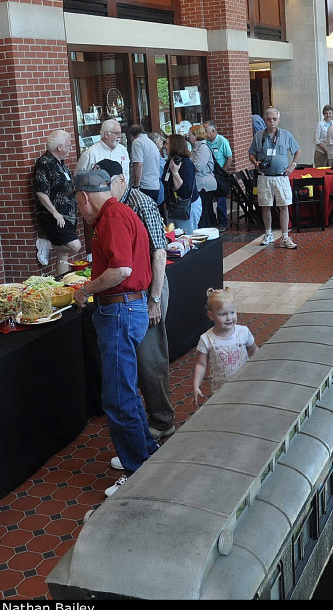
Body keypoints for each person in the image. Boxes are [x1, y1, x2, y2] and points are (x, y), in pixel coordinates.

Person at [71, 169, 155, 497]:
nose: (79, 210)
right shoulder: (120, 212)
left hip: (120, 311)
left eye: (77, 203)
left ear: (84, 197)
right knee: (125, 391)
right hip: (127, 309)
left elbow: (121, 269)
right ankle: (145, 452)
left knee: (117, 397)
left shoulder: (112, 217)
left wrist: (85, 290)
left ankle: (137, 470)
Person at [93, 159, 176, 442]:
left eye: (105, 184)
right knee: (135, 360)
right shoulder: (109, 209)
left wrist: (154, 298)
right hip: (130, 293)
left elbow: (160, 253)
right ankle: (145, 422)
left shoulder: (140, 203)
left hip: (149, 288)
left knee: (149, 359)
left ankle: (163, 421)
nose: (101, 190)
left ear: (120, 180)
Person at [191, 287, 256, 405]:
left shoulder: (243, 332)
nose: (229, 318)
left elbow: (255, 352)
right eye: (223, 314)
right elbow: (201, 364)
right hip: (220, 392)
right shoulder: (206, 339)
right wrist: (196, 386)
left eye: (232, 312)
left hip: (246, 386)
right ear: (211, 315)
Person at [248, 107, 301, 249]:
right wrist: (255, 162)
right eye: (268, 119)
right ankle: (268, 234)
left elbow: (297, 150)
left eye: (274, 119)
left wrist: (292, 165)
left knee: (284, 206)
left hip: (281, 177)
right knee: (265, 206)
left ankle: (285, 237)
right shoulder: (259, 136)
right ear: (264, 120)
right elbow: (251, 153)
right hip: (264, 177)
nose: (272, 122)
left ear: (279, 120)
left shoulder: (285, 135)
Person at [33, 130, 81, 273]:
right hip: (54, 216)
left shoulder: (60, 163)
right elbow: (41, 192)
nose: (70, 149)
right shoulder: (45, 163)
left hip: (68, 214)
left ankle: (62, 283)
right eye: (68, 145)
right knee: (75, 246)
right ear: (59, 147)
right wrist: (55, 213)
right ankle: (47, 245)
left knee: (63, 253)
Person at [164, 133, 200, 234]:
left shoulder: (186, 164)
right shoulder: (169, 163)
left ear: (174, 146)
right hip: (173, 207)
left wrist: (175, 173)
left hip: (186, 207)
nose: (164, 146)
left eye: (167, 144)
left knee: (186, 237)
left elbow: (184, 191)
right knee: (173, 237)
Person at [204, 121, 233, 231]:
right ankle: (212, 221)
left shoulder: (222, 141)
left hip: (219, 175)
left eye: (206, 131)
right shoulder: (204, 143)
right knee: (208, 199)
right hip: (208, 175)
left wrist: (223, 172)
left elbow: (229, 158)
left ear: (213, 131)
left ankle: (222, 223)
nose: (204, 133)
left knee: (220, 200)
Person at [188, 124, 217, 229]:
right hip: (200, 183)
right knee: (206, 211)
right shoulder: (196, 148)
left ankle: (204, 231)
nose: (188, 137)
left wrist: (186, 166)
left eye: (190, 135)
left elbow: (198, 167)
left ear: (196, 136)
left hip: (204, 184)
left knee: (203, 211)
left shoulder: (202, 148)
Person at [128, 123, 163, 205]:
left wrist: (137, 185)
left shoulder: (137, 142)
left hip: (144, 186)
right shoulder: (151, 143)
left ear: (131, 136)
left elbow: (138, 164)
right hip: (154, 185)